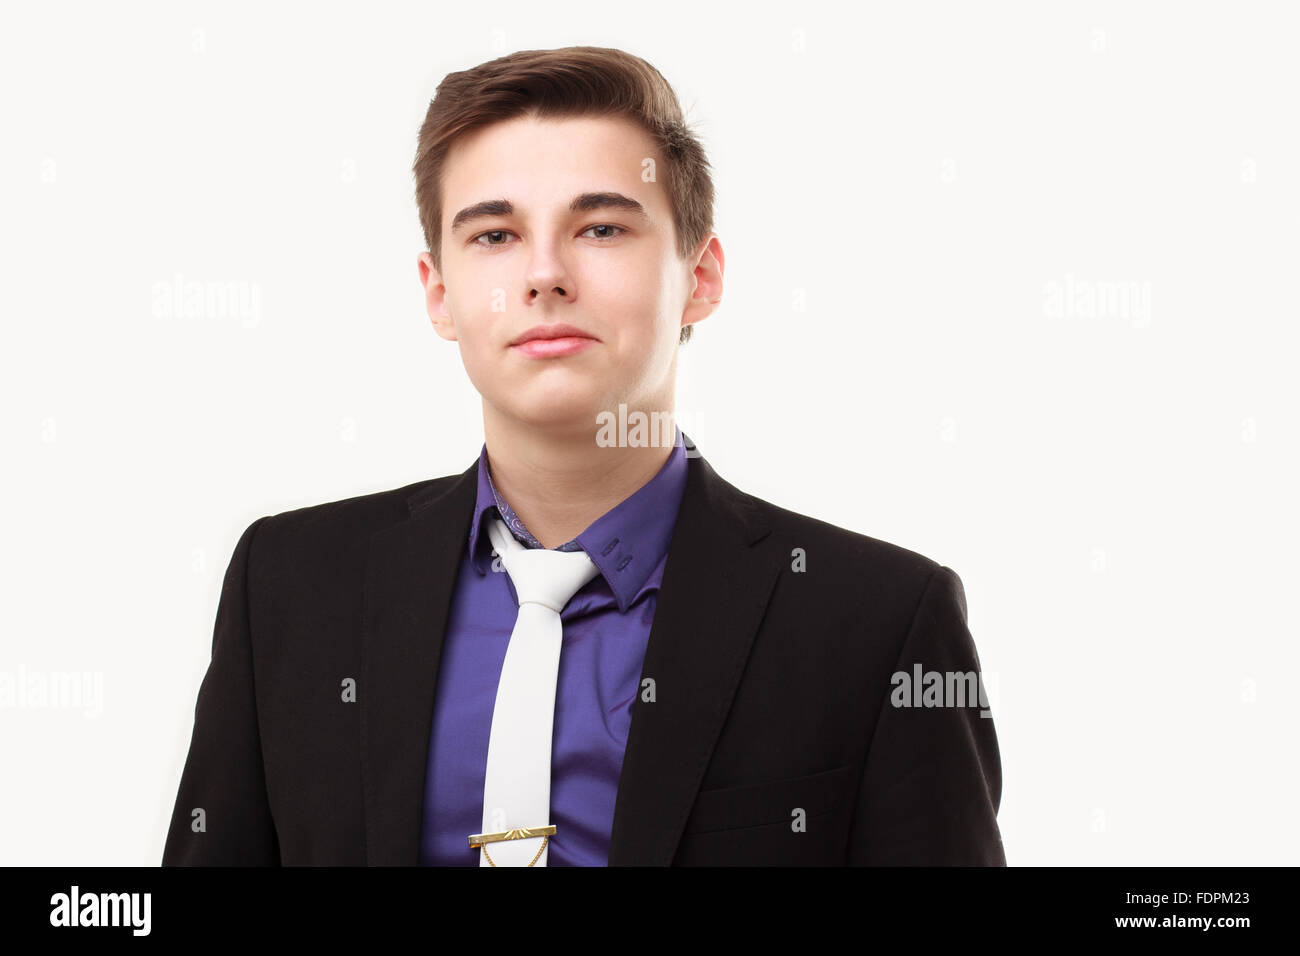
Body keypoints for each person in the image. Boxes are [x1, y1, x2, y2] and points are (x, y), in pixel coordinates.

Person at [163, 45, 1005, 866]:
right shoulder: (289, 585)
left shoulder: (879, 621)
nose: (544, 274)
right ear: (438, 291)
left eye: (601, 227)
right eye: (494, 235)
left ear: (701, 276)